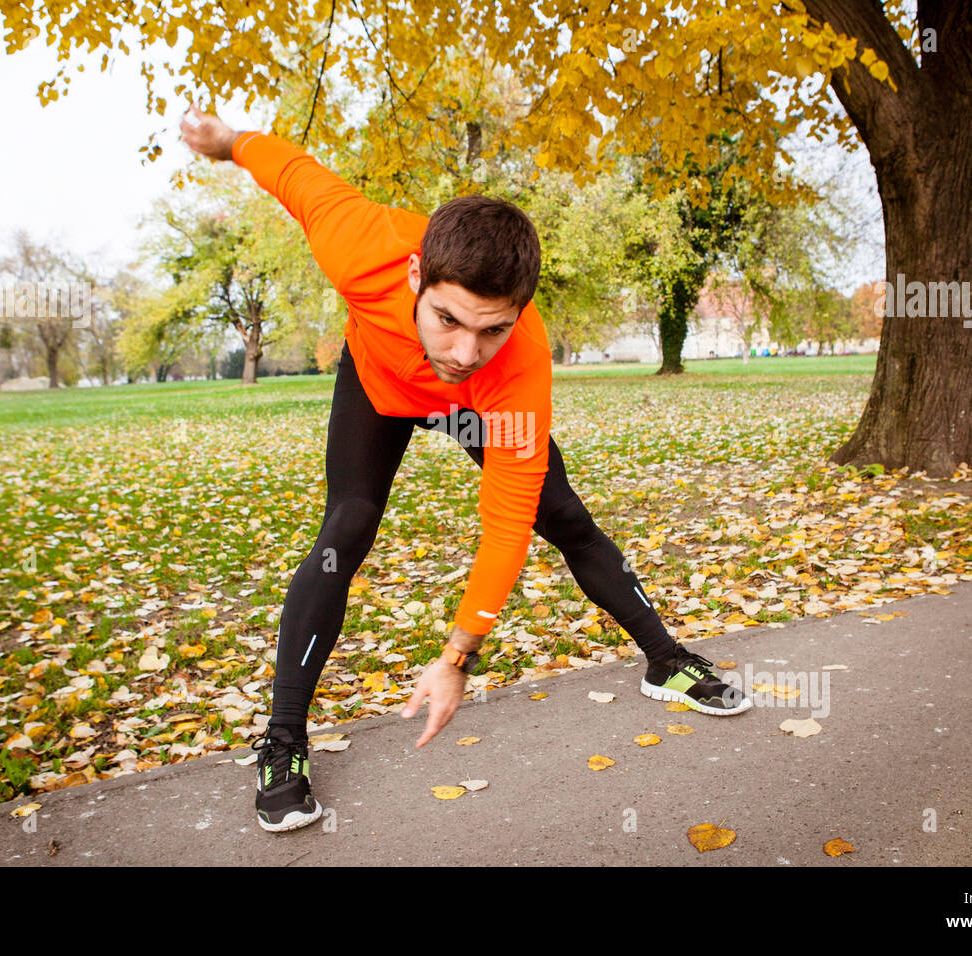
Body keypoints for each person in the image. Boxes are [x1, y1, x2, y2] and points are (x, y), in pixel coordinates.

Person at [179, 105, 752, 833]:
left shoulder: (514, 366)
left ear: (520, 312)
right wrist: (228, 144)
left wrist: (457, 655)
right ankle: (283, 740)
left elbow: (505, 524)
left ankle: (666, 660)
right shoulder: (362, 246)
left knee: (561, 514)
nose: (462, 351)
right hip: (379, 386)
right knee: (345, 529)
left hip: (474, 410)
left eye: (492, 329)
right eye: (447, 318)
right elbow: (295, 175)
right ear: (416, 274)